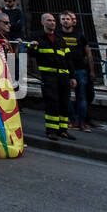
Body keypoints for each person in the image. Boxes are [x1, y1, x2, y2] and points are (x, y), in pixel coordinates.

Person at [33, 12, 75, 141]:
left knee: (64, 103)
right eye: (49, 20)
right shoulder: (38, 38)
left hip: (63, 77)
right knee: (52, 103)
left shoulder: (59, 38)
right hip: (49, 77)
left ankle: (63, 129)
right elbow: (30, 53)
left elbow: (68, 59)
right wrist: (32, 46)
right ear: (43, 22)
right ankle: (51, 130)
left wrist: (72, 76)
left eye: (54, 21)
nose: (53, 23)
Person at [58, 11, 93, 132]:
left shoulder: (79, 35)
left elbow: (88, 52)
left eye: (67, 19)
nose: (65, 21)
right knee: (66, 97)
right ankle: (72, 120)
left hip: (80, 69)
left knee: (82, 97)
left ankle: (82, 122)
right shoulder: (57, 35)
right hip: (65, 70)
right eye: (63, 19)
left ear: (72, 21)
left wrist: (91, 70)